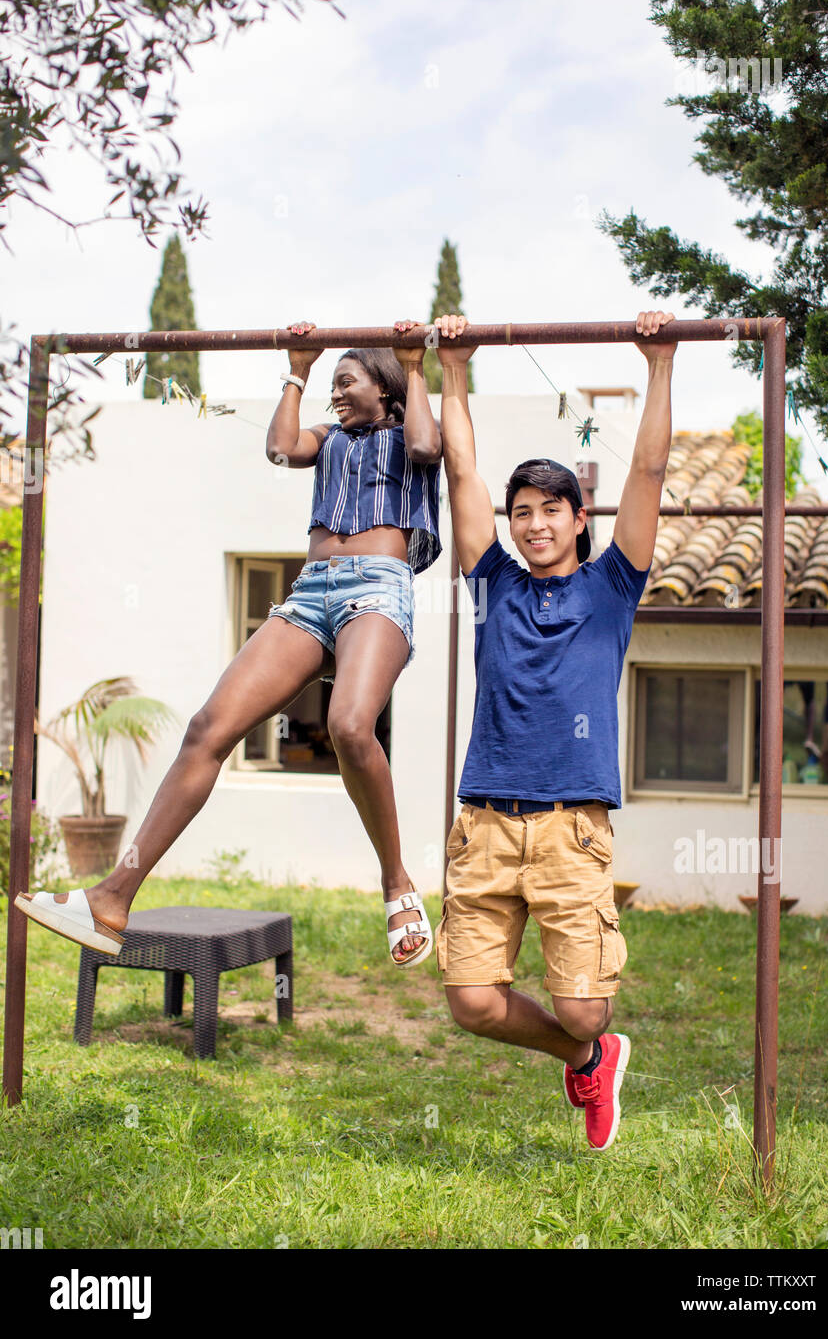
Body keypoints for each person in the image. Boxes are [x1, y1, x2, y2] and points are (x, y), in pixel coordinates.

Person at [16, 319, 453, 969]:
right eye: (329, 384)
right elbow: (280, 448)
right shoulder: (329, 440)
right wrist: (297, 369)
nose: (334, 394)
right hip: (312, 593)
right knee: (207, 729)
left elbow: (425, 444)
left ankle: (396, 881)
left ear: (384, 387)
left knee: (351, 726)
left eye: (344, 381)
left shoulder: (404, 430)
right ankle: (111, 900)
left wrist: (416, 367)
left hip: (377, 589)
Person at [420, 307, 677, 1150]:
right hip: (486, 823)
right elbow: (461, 475)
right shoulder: (492, 583)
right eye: (520, 509)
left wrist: (660, 362)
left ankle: (588, 1037)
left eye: (549, 509)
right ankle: (588, 1058)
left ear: (578, 517)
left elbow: (648, 468)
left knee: (582, 1000)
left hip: (571, 826)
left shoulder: (612, 590)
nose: (531, 523)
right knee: (472, 1003)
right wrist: (454, 370)